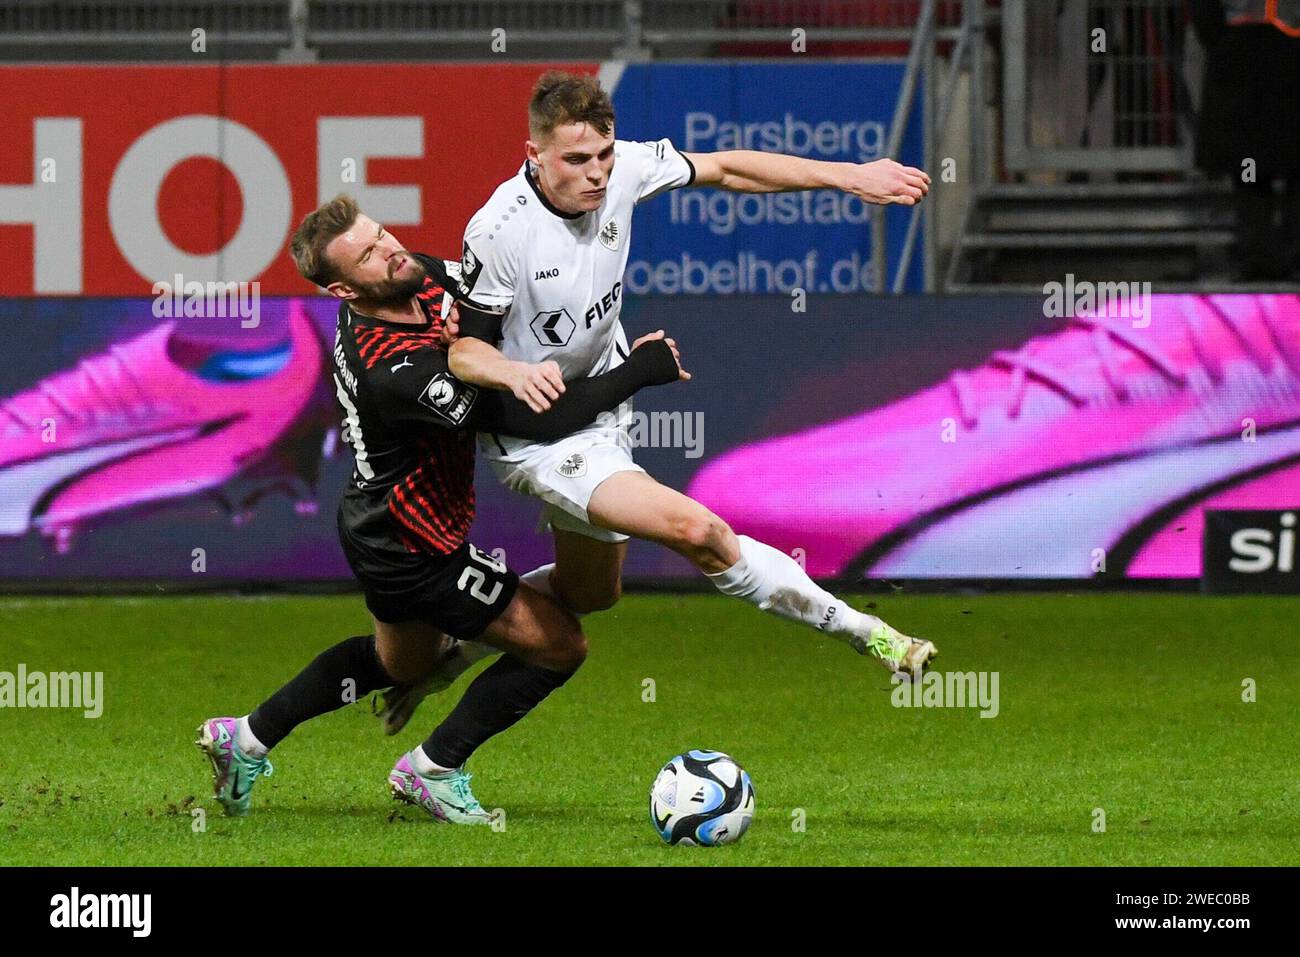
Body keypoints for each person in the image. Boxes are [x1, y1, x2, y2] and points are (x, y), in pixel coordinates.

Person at [196, 194, 686, 825]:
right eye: (370, 253)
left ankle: (247, 738)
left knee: (399, 663)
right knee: (561, 645)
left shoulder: (412, 273)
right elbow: (537, 420)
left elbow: (499, 301)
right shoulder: (394, 372)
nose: (391, 249)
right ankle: (436, 767)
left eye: (382, 233)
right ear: (345, 290)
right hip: (413, 545)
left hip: (377, 523)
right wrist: (638, 371)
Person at [447, 70, 937, 673]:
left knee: (592, 594)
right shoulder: (500, 229)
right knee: (699, 532)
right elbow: (464, 352)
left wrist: (849, 176)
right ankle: (873, 636)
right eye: (576, 160)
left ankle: (454, 646)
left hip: (603, 406)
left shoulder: (623, 168)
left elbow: (727, 168)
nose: (596, 173)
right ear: (536, 156)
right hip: (538, 434)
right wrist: (513, 373)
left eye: (603, 154)